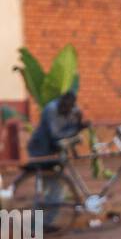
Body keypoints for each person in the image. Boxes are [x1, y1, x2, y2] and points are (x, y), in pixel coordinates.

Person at [26, 90, 89, 230]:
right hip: (42, 152)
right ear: (60, 102)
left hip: (55, 153)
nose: (66, 110)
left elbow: (71, 130)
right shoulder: (51, 109)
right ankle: (40, 225)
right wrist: (76, 129)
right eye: (64, 107)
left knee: (54, 189)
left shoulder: (74, 110)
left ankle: (40, 223)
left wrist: (79, 124)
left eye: (69, 107)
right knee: (54, 189)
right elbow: (56, 135)